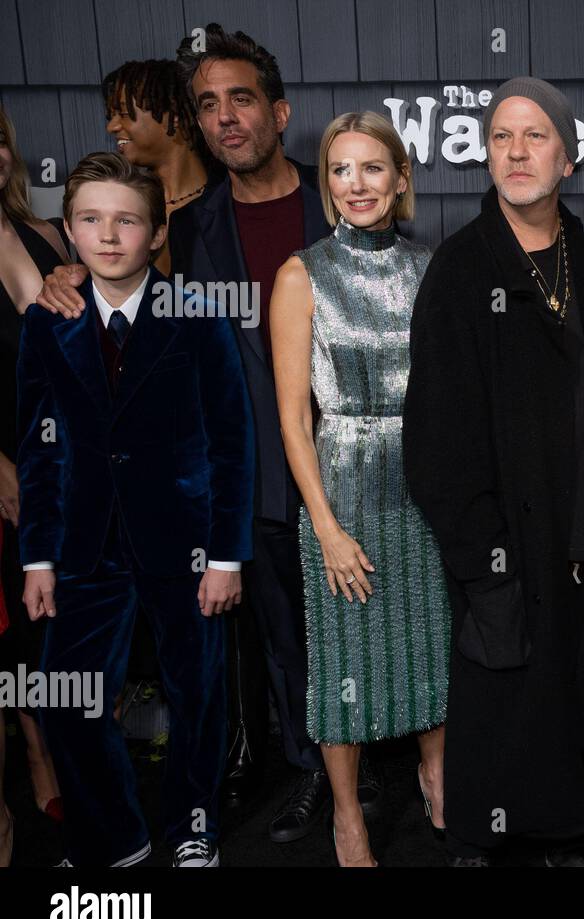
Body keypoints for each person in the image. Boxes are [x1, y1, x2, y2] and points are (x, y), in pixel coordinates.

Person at [35, 23, 356, 842]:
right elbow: (138, 311)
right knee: (288, 644)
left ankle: (387, 767)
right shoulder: (190, 226)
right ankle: (313, 773)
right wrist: (65, 273)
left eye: (241, 99)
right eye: (208, 105)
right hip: (255, 477)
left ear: (279, 113)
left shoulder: (343, 192)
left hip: (356, 466)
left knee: (365, 627)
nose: (225, 119)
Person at [403, 77, 584, 867]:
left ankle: (562, 830)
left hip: (582, 533)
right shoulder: (462, 271)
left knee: (564, 700)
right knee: (501, 698)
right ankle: (485, 839)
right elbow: (434, 443)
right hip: (500, 544)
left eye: (535, 136)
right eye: (502, 136)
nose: (517, 151)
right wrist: (482, 558)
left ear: (567, 157)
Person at [19, 152, 254, 867]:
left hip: (184, 542)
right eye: (91, 219)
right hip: (82, 545)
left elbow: (233, 441)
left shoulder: (199, 318)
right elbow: (37, 446)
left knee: (198, 692)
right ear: (69, 229)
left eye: (127, 220)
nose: (109, 235)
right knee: (67, 699)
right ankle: (115, 837)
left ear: (155, 233)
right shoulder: (45, 323)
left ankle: (193, 825)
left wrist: (225, 554)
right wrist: (36, 554)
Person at [270, 112, 452, 867]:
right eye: (340, 171)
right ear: (327, 186)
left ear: (401, 178)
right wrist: (327, 525)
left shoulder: (431, 267)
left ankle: (438, 771)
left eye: (372, 168)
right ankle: (347, 816)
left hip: (422, 488)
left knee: (430, 645)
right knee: (341, 659)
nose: (356, 185)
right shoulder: (300, 274)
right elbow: (291, 419)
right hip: (340, 489)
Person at [0, 105, 69, 862]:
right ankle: (35, 754)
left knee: (61, 615)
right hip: (4, 466)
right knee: (15, 628)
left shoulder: (44, 237)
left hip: (56, 461)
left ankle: (61, 745)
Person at [103, 58, 216, 274]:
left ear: (173, 116)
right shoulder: (117, 206)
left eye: (125, 114)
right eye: (111, 115)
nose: (112, 126)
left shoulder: (229, 205)